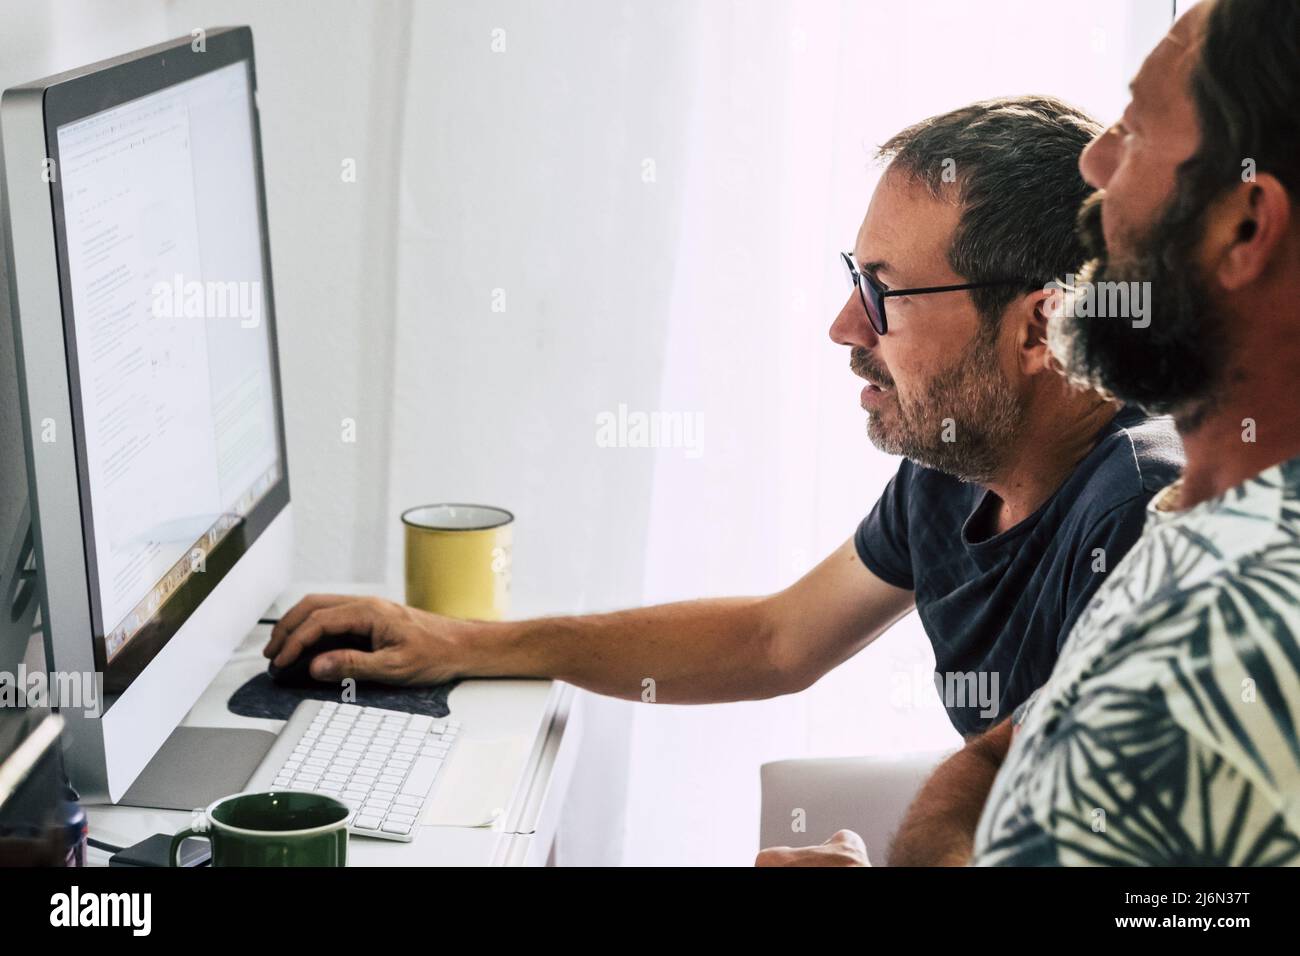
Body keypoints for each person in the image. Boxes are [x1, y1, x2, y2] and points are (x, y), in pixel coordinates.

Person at [264, 100, 1182, 862]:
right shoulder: (958, 467)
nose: (843, 326)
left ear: (1037, 330)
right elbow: (775, 640)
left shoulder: (1150, 525)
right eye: (850, 278)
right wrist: (462, 642)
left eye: (884, 292)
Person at [893, 0, 1300, 868]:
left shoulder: (1240, 631)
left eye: (1136, 129)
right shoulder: (1198, 518)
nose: (1094, 160)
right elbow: (1010, 745)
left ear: (1245, 226)